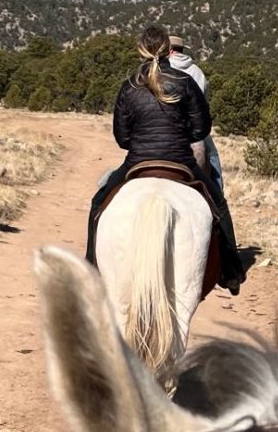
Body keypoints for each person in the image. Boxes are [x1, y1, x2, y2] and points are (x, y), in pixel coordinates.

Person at [85, 26, 246, 293]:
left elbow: (122, 138)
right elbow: (202, 129)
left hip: (138, 162)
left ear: (141, 49)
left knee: (98, 204)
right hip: (181, 161)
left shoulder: (130, 86)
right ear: (167, 49)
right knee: (218, 203)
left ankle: (91, 269)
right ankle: (231, 271)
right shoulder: (185, 82)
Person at [166, 34, 223, 193]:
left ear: (168, 50)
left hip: (164, 124)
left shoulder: (160, 69)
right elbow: (204, 102)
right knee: (212, 158)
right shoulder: (197, 71)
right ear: (181, 50)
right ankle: (218, 199)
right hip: (192, 128)